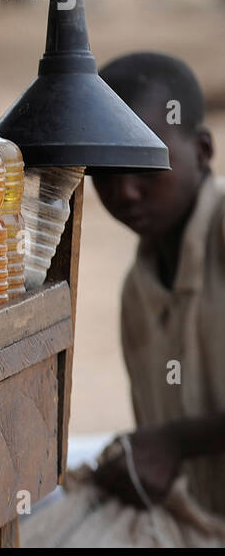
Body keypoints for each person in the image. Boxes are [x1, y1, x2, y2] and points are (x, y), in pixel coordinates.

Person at [88, 52, 225, 518]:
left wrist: (176, 443)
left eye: (146, 163)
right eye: (104, 171)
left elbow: (168, 441)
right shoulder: (138, 292)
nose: (124, 191)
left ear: (203, 151)